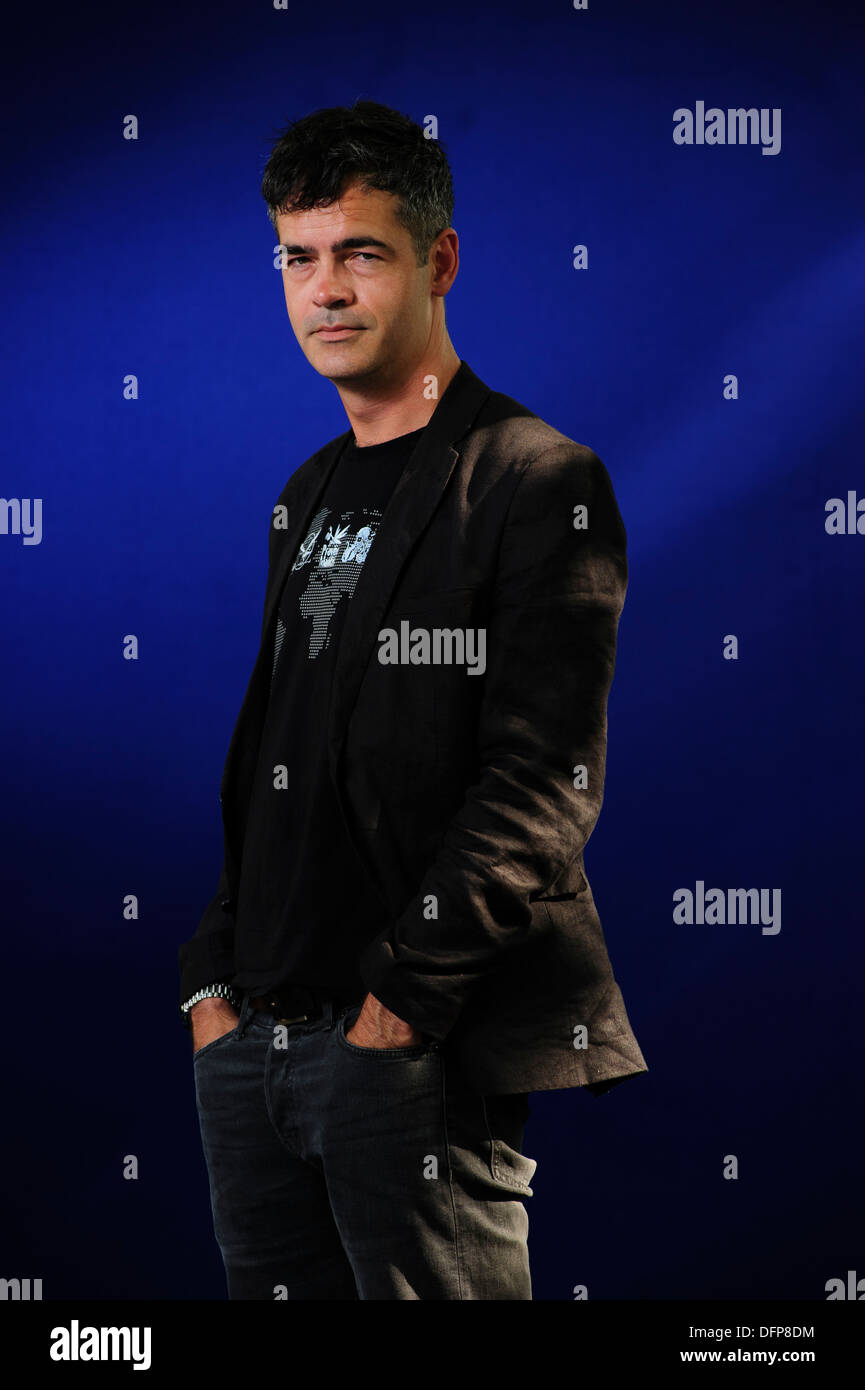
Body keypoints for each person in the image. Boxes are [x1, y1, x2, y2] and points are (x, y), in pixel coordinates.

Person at [177, 99, 648, 1301]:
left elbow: (546, 783)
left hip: (410, 1058)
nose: (324, 289)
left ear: (437, 261)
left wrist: (398, 1011)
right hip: (255, 1053)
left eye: (361, 253)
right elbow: (275, 754)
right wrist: (212, 989)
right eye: (299, 256)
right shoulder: (308, 488)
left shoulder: (538, 478)